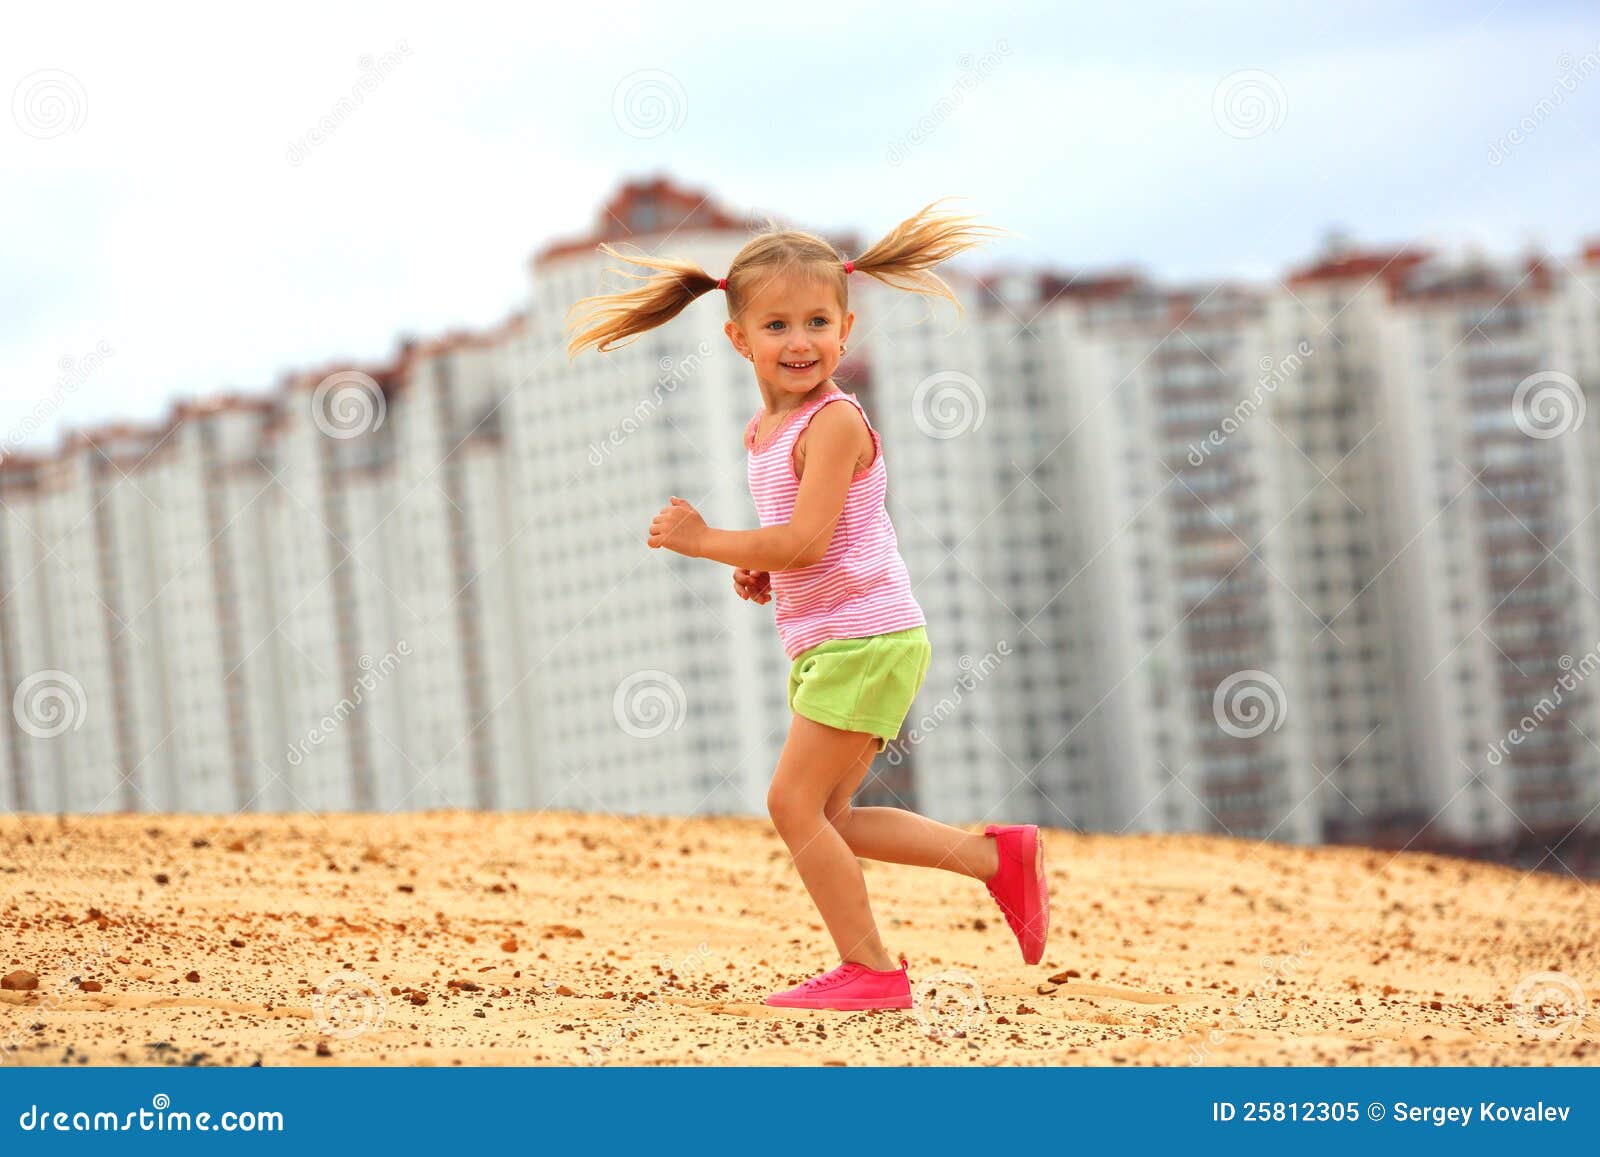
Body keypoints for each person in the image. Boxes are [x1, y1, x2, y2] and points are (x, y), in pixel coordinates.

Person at [565, 200, 1049, 1011]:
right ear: (739, 338)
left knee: (791, 804)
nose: (800, 342)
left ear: (846, 328)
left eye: (817, 322)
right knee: (830, 812)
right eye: (779, 325)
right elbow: (798, 545)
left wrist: (706, 539)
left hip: (868, 637)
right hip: (839, 637)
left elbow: (807, 542)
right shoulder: (766, 430)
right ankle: (996, 861)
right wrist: (765, 573)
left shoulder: (832, 421)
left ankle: (873, 972)